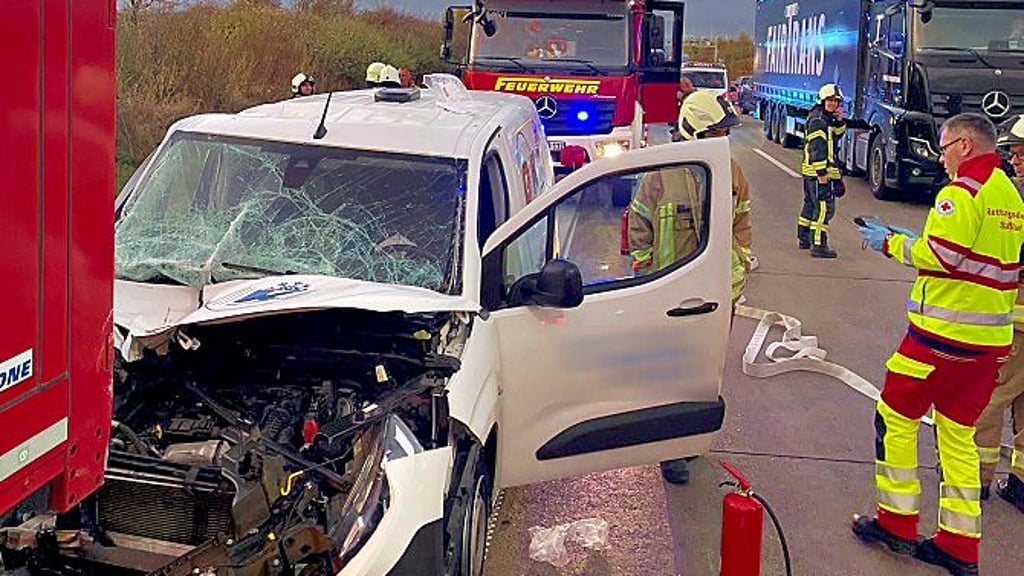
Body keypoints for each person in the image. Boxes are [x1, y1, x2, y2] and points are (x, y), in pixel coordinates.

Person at [853, 113, 1024, 576]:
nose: (941, 157)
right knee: (958, 436)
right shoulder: (1007, 193)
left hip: (940, 339)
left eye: (944, 148)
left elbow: (940, 256)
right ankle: (958, 545)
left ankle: (896, 523)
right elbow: (982, 256)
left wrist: (891, 243)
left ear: (965, 145)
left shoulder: (961, 192)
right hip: (987, 344)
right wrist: (923, 238)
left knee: (894, 418)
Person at [629, 91, 749, 484]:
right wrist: (646, 273)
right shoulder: (661, 172)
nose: (722, 138)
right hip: (671, 293)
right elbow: (639, 225)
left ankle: (691, 437)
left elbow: (742, 223)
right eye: (715, 132)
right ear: (695, 130)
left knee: (705, 369)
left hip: (716, 295)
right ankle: (670, 449)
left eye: (724, 132)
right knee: (671, 371)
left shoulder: (732, 172)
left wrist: (740, 265)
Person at [975, 113, 1024, 514]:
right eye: (1012, 152)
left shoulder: (1016, 198)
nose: (1014, 159)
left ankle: (976, 478)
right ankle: (1021, 484)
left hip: (1017, 322)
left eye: (1021, 153)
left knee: (992, 396)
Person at [798, 83, 868, 258]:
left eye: (836, 101)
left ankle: (804, 238)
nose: (833, 104)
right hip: (818, 173)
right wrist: (822, 175)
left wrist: (839, 120)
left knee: (810, 205)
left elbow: (835, 135)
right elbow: (818, 149)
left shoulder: (824, 118)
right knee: (823, 209)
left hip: (813, 172)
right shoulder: (818, 121)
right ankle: (818, 245)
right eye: (830, 100)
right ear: (822, 101)